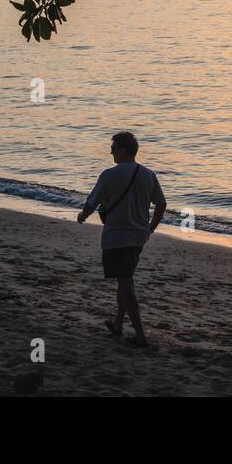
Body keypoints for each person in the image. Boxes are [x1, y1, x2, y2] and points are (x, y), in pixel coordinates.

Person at [77, 131, 166, 348]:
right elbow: (161, 204)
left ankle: (140, 334)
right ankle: (118, 323)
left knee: (126, 282)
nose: (111, 152)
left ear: (123, 150)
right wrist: (150, 229)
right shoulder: (148, 174)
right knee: (124, 279)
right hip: (138, 237)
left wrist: (82, 216)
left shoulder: (109, 175)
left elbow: (91, 203)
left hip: (117, 236)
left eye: (114, 147)